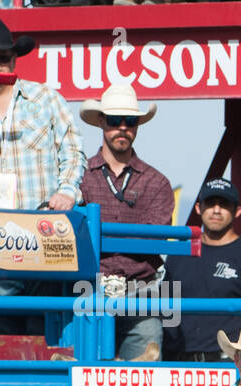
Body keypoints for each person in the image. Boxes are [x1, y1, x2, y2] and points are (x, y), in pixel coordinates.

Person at [0, 18, 84, 213]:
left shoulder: (46, 98)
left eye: (3, 57)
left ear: (14, 60)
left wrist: (67, 191)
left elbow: (73, 151)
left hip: (41, 220)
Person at [78, 82, 174, 359]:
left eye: (130, 121)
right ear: (100, 122)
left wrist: (97, 236)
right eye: (114, 120)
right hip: (89, 290)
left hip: (140, 292)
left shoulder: (157, 182)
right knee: (84, 384)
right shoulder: (77, 176)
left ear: (137, 125)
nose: (122, 127)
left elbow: (155, 237)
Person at [162, 178, 241, 361]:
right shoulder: (178, 255)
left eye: (224, 204)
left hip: (228, 364)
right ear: (198, 208)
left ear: (237, 211)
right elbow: (164, 309)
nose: (216, 210)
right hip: (177, 365)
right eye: (210, 203)